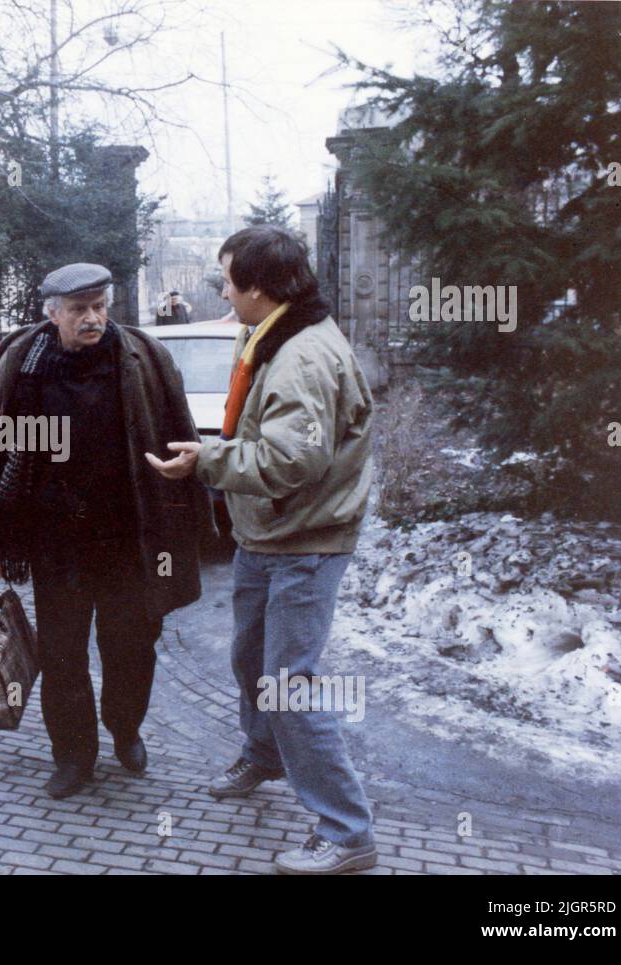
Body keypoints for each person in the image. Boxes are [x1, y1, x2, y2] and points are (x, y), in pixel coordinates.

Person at [148, 225, 377, 874]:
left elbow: (289, 459)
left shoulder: (302, 356)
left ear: (258, 287)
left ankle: (347, 829)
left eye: (227, 281)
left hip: (304, 539)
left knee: (287, 684)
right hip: (267, 534)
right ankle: (265, 753)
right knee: (250, 656)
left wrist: (206, 460)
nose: (221, 292)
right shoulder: (275, 329)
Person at [0, 263, 212, 799]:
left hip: (127, 539)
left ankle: (125, 729)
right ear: (52, 314)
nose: (93, 318)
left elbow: (178, 435)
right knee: (62, 655)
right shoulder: (19, 364)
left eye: (100, 306)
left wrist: (185, 520)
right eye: (79, 310)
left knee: (132, 646)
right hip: (56, 545)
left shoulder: (143, 358)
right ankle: (73, 757)